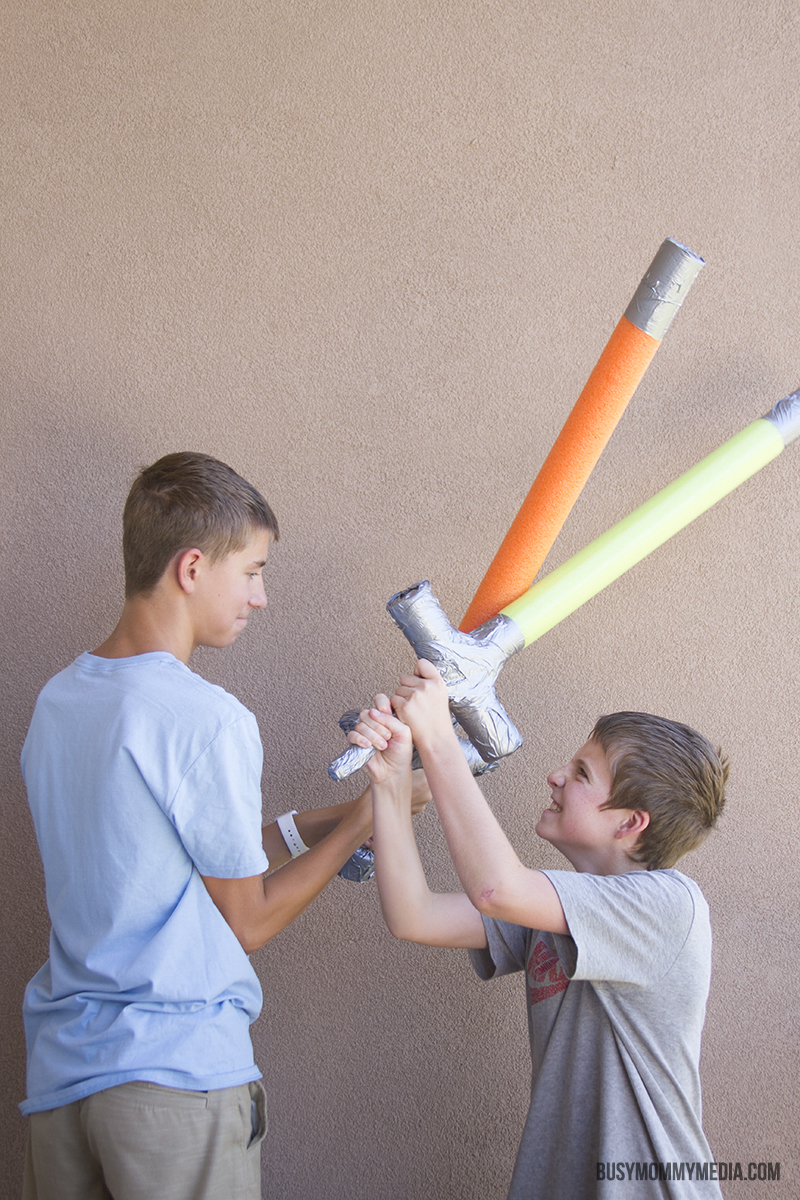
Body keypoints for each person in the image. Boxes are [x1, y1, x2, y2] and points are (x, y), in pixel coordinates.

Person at [20, 451, 427, 1200]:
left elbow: (184, 858)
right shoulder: (204, 719)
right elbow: (248, 918)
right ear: (192, 567)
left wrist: (360, 806)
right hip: (175, 1087)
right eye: (252, 572)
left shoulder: (58, 704)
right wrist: (367, 821)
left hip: (63, 1085)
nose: (261, 597)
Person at [350, 658, 729, 1200]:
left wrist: (437, 738)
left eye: (581, 774)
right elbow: (414, 915)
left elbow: (495, 888)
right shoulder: (554, 912)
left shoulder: (669, 905)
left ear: (629, 823)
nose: (556, 776)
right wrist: (391, 779)